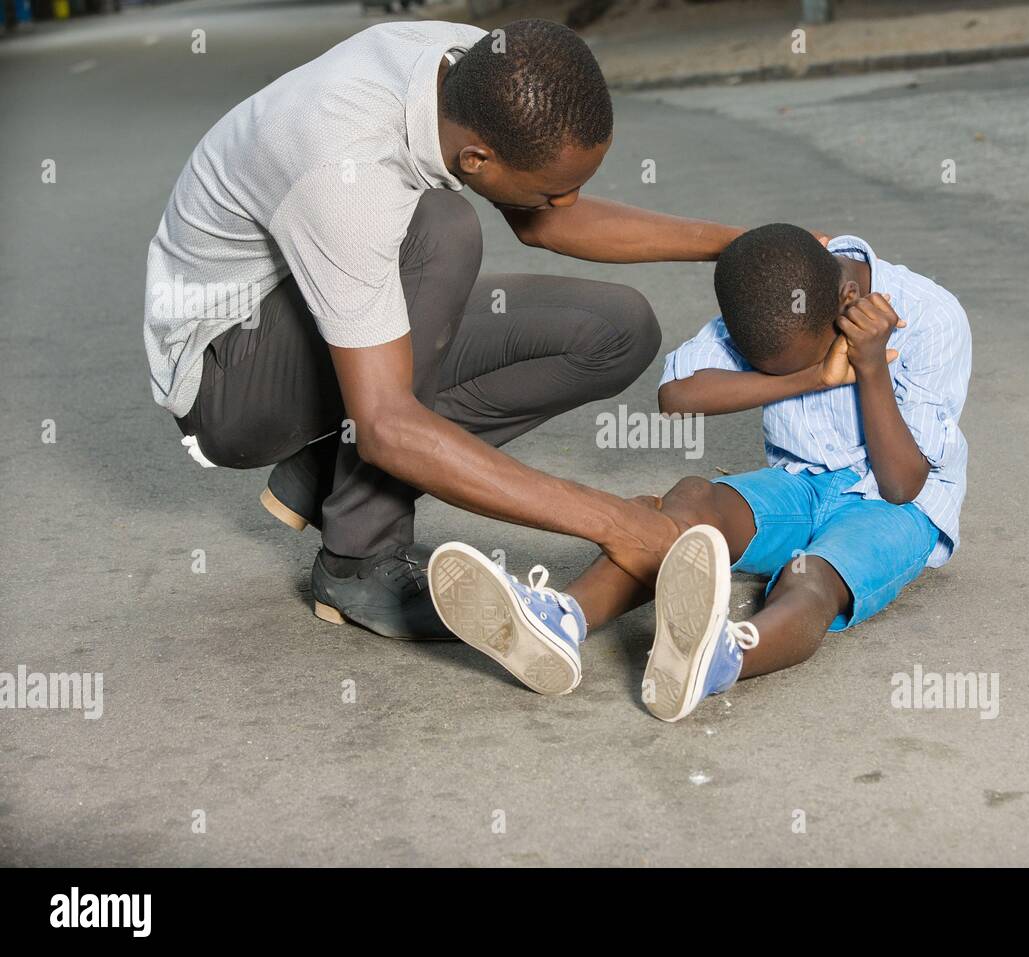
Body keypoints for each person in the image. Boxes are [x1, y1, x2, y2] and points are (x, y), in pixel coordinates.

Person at [144, 19, 778, 640]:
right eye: (556, 191)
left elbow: (545, 221)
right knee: (441, 229)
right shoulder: (346, 170)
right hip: (227, 378)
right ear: (476, 156)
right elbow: (391, 427)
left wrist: (741, 244)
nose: (565, 204)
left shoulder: (472, 66)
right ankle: (359, 558)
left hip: (326, 307)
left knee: (615, 329)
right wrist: (614, 521)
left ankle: (328, 465)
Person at [428, 224, 971, 721]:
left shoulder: (930, 317)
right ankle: (561, 621)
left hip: (897, 508)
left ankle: (719, 657)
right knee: (690, 501)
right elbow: (678, 394)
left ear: (846, 301)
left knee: (809, 579)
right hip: (802, 484)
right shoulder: (769, 295)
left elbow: (904, 483)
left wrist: (870, 365)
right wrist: (813, 377)